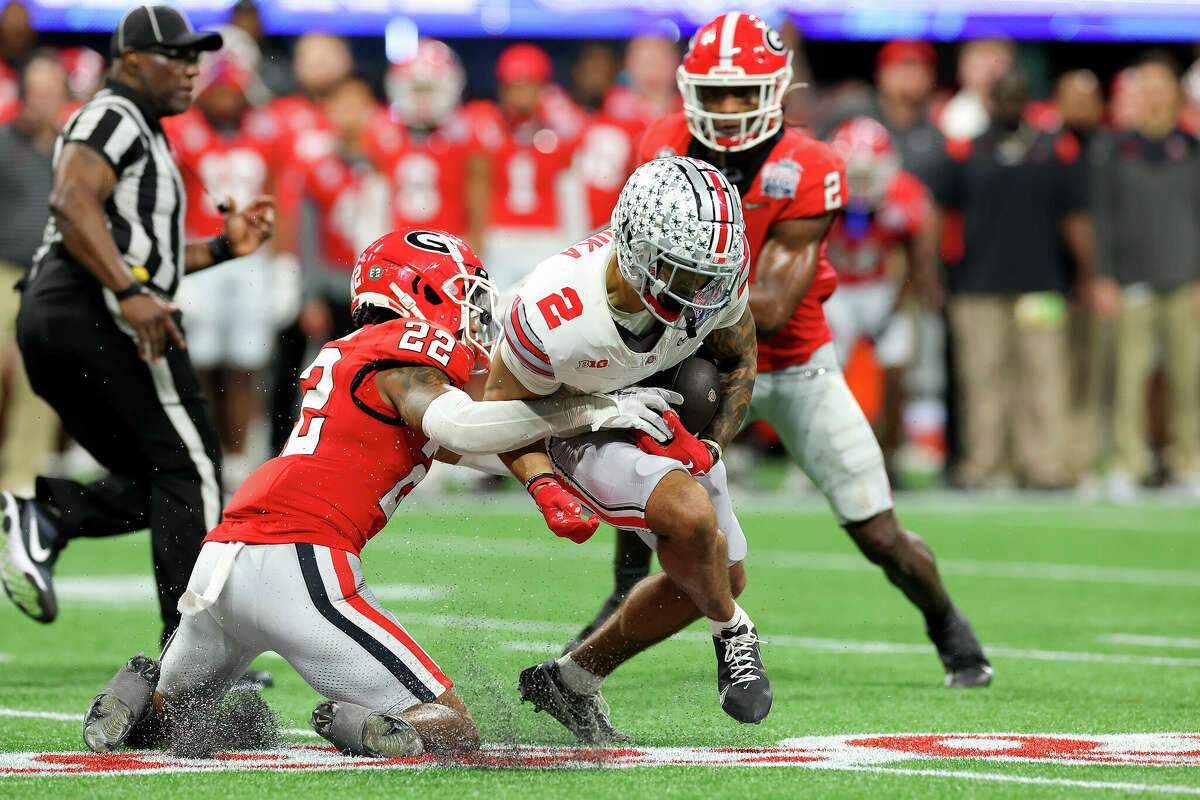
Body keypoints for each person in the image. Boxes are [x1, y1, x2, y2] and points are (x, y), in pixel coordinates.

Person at [80, 228, 678, 758]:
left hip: (223, 561)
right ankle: (361, 723)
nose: (475, 318)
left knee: (173, 725)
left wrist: (580, 457)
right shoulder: (405, 352)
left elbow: (480, 446)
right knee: (453, 729)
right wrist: (592, 406)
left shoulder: (351, 355)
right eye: (466, 297)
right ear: (422, 293)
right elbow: (463, 425)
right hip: (300, 564)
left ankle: (136, 697)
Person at [570, 12, 992, 690]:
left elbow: (769, 308)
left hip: (791, 361)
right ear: (690, 90)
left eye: (744, 93)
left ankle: (947, 623)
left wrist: (672, 287)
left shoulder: (812, 165)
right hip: (695, 353)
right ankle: (621, 598)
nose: (731, 108)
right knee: (648, 481)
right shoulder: (662, 141)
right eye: (717, 93)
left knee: (877, 531)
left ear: (777, 92)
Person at [0, 6, 275, 639]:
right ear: (129, 61)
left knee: (167, 477)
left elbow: (148, 254)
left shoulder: (143, 131)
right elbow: (71, 201)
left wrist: (225, 247)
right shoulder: (113, 114)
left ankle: (48, 514)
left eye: (195, 57)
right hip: (93, 307)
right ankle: (197, 656)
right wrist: (128, 291)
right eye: (175, 56)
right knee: (196, 468)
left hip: (72, 310)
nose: (191, 70)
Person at [487, 155, 770, 742]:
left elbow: (741, 355)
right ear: (637, 249)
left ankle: (570, 682)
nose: (702, 292)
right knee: (693, 527)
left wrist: (712, 444)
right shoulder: (556, 313)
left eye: (710, 275)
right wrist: (542, 483)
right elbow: (498, 410)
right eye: (684, 273)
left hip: (659, 408)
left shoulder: (711, 283)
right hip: (572, 418)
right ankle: (734, 633)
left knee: (717, 574)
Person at [942, 70, 1094, 490]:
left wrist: (1086, 274)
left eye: (1017, 96)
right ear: (990, 101)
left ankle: (1044, 465)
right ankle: (984, 465)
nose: (1010, 105)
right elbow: (943, 217)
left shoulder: (1054, 151)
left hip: (1041, 284)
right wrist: (937, 275)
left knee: (1044, 377)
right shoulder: (967, 151)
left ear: (1029, 99)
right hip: (978, 286)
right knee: (984, 380)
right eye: (1002, 97)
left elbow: (1075, 219)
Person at [165, 53, 282, 489]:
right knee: (199, 360)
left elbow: (280, 194)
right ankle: (200, 446)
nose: (226, 100)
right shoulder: (183, 129)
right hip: (203, 253)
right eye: (219, 91)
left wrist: (283, 260)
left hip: (253, 258)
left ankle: (238, 453)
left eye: (233, 92)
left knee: (246, 362)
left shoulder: (265, 131)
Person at [1091, 52, 1200, 498]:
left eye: (1160, 85)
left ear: (1176, 92)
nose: (1153, 94)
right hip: (1132, 278)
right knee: (1130, 379)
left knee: (1188, 380)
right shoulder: (1115, 149)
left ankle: (1188, 463)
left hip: (1185, 280)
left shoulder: (1193, 148)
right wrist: (1104, 277)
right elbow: (1104, 218)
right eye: (1145, 86)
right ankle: (1128, 464)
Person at [823, 116, 939, 478]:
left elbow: (920, 259)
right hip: (834, 287)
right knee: (823, 374)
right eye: (852, 174)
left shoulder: (905, 194)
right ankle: (824, 456)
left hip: (881, 288)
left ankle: (889, 452)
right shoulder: (819, 191)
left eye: (867, 173)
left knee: (896, 367)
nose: (859, 183)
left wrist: (896, 307)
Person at [0, 52, 69, 495]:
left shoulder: (72, 149)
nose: (45, 99)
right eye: (38, 90)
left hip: (51, 276)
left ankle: (21, 476)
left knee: (42, 379)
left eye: (52, 90)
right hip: (3, 269)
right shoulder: (5, 142)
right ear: (24, 94)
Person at [468, 43, 585, 290]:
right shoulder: (486, 125)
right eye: (514, 86)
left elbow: (571, 187)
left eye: (527, 85)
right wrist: (478, 236)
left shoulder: (560, 127)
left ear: (542, 86)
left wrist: (574, 241)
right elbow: (478, 184)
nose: (520, 94)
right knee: (494, 307)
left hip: (546, 236)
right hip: (500, 235)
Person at [365, 38, 488, 251]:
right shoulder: (382, 131)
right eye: (416, 90)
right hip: (397, 244)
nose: (422, 100)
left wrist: (477, 240)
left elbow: (478, 193)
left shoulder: (465, 133)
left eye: (429, 90)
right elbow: (374, 201)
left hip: (452, 243)